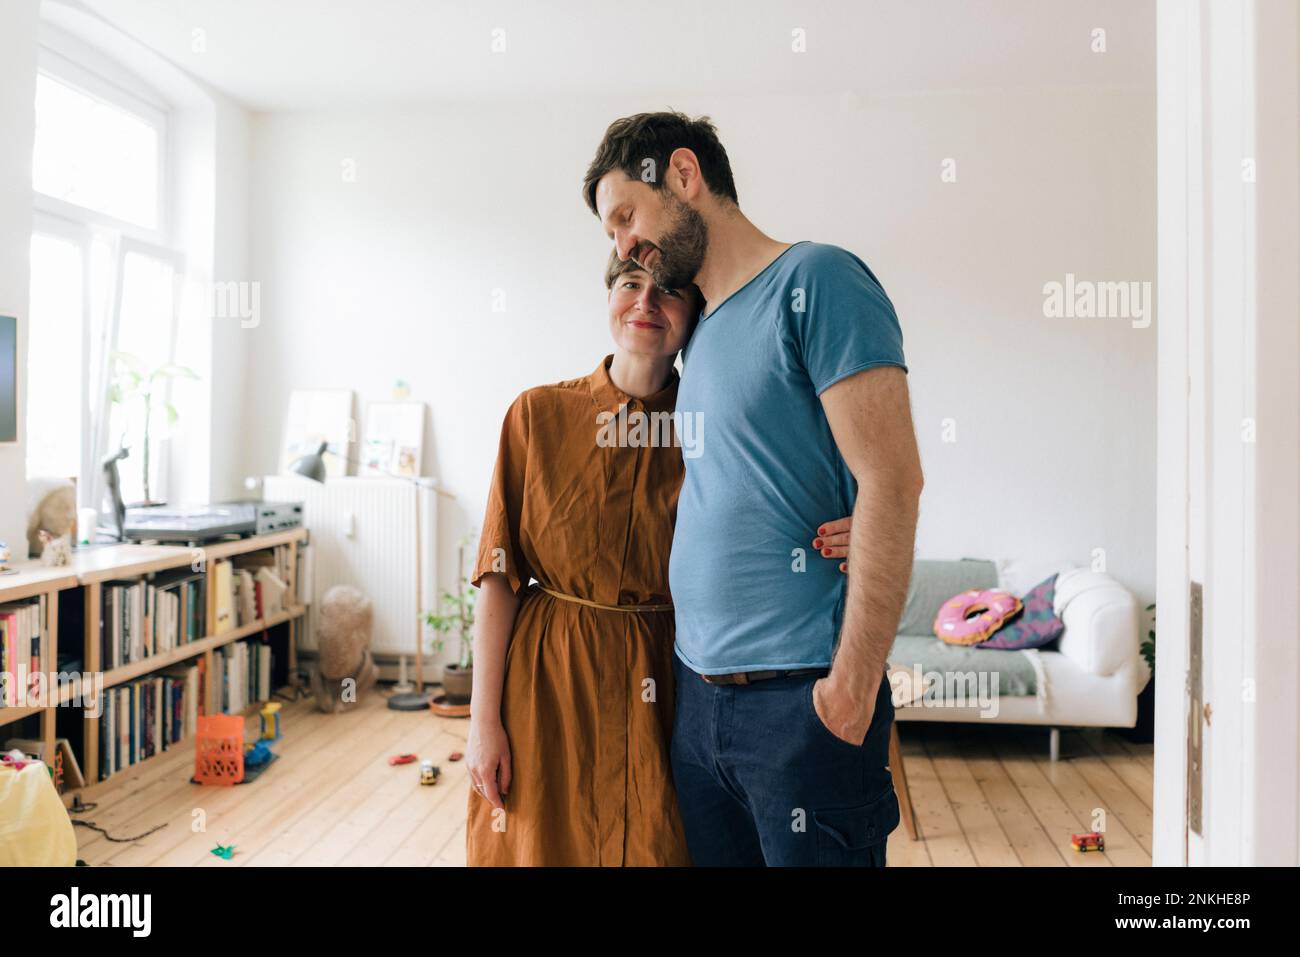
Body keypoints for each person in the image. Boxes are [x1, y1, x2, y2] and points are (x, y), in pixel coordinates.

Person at [583, 111, 925, 866]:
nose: (623, 245)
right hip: (698, 703)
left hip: (802, 704)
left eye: (625, 217)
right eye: (612, 236)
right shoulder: (698, 330)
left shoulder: (817, 279)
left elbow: (893, 480)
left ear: (682, 174)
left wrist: (850, 691)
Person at [464, 253, 851, 866]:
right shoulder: (536, 415)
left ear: (695, 313)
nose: (646, 302)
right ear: (609, 296)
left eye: (669, 290)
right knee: (543, 844)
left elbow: (793, 500)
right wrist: (482, 722)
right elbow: (497, 576)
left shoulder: (716, 430)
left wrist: (857, 525)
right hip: (546, 686)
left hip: (669, 687)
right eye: (629, 283)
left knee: (656, 844)